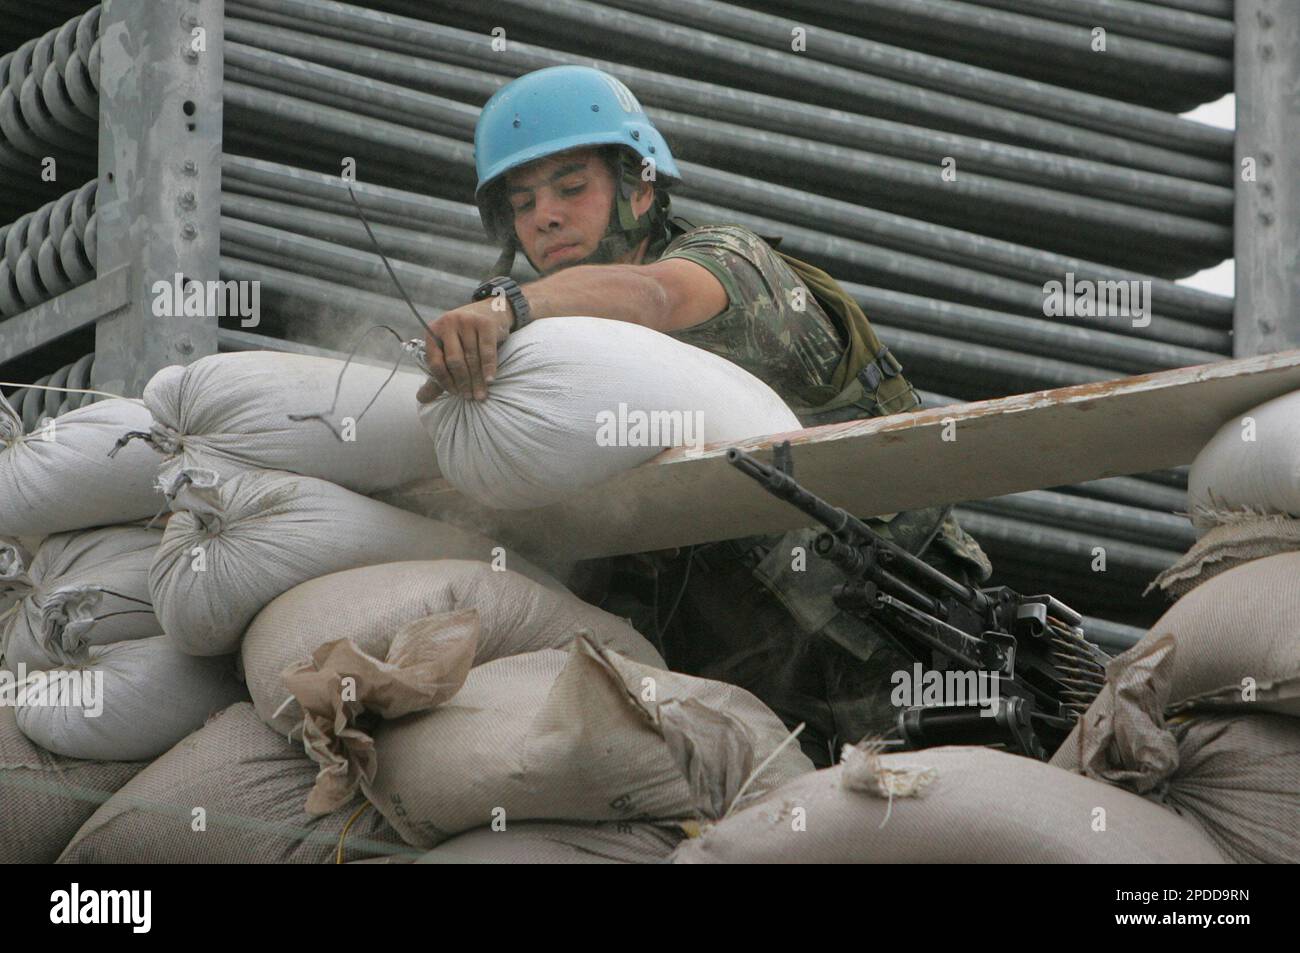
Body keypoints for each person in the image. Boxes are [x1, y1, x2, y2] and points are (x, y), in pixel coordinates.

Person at [416, 65, 991, 766]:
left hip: (905, 653)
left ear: (640, 184)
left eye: (572, 187)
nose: (546, 216)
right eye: (523, 200)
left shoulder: (729, 264)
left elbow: (655, 297)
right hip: (751, 703)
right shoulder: (547, 377)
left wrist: (509, 308)